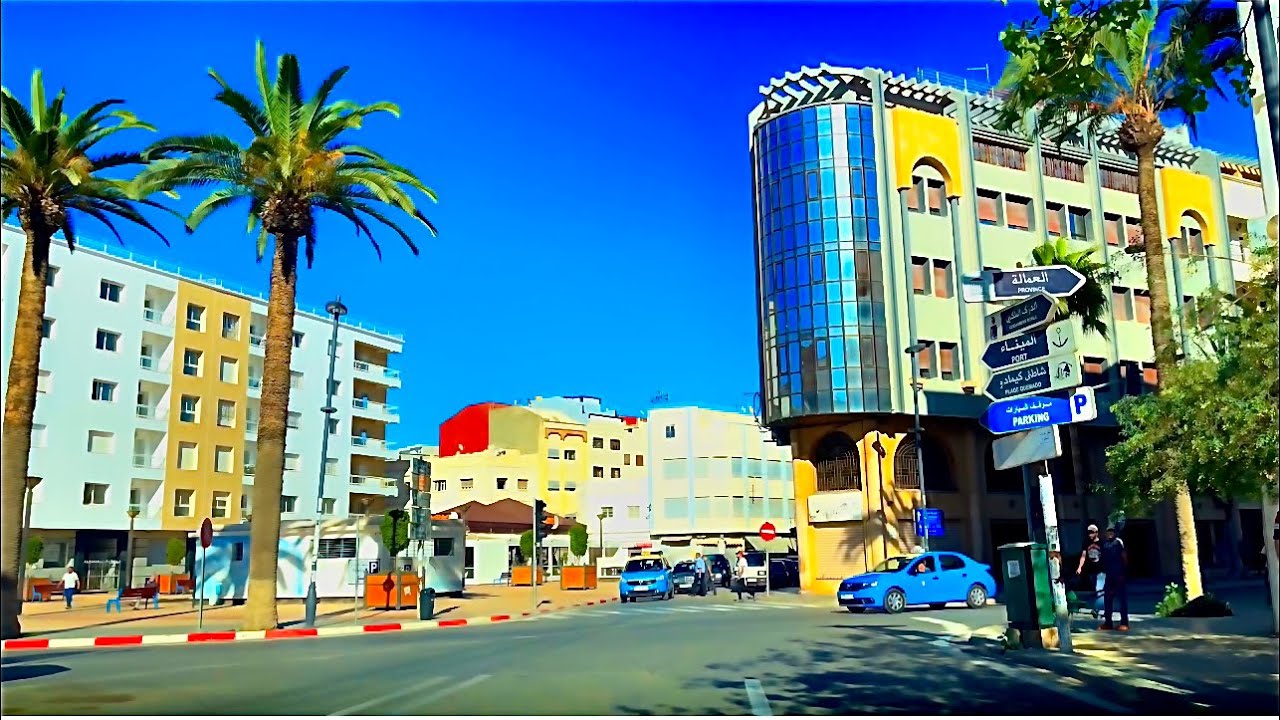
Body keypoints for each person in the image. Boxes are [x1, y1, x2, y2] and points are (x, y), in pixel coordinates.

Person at [1100, 524, 1129, 631]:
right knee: (1107, 599)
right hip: (1109, 575)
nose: (1110, 533)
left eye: (1112, 531)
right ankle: (1108, 623)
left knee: (1122, 599)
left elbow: (1124, 557)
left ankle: (1124, 623)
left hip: (1119, 574)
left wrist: (1123, 571)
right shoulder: (1105, 544)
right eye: (1108, 531)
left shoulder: (1118, 542)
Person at [1076, 524, 1104, 617]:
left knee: (1099, 590)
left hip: (1101, 570)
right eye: (1088, 533)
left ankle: (1096, 609)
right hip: (1091, 570)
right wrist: (1080, 567)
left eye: (1092, 533)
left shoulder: (1102, 543)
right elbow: (1083, 556)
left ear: (1096, 533)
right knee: (1096, 591)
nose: (1090, 535)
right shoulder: (1086, 542)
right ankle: (1102, 608)